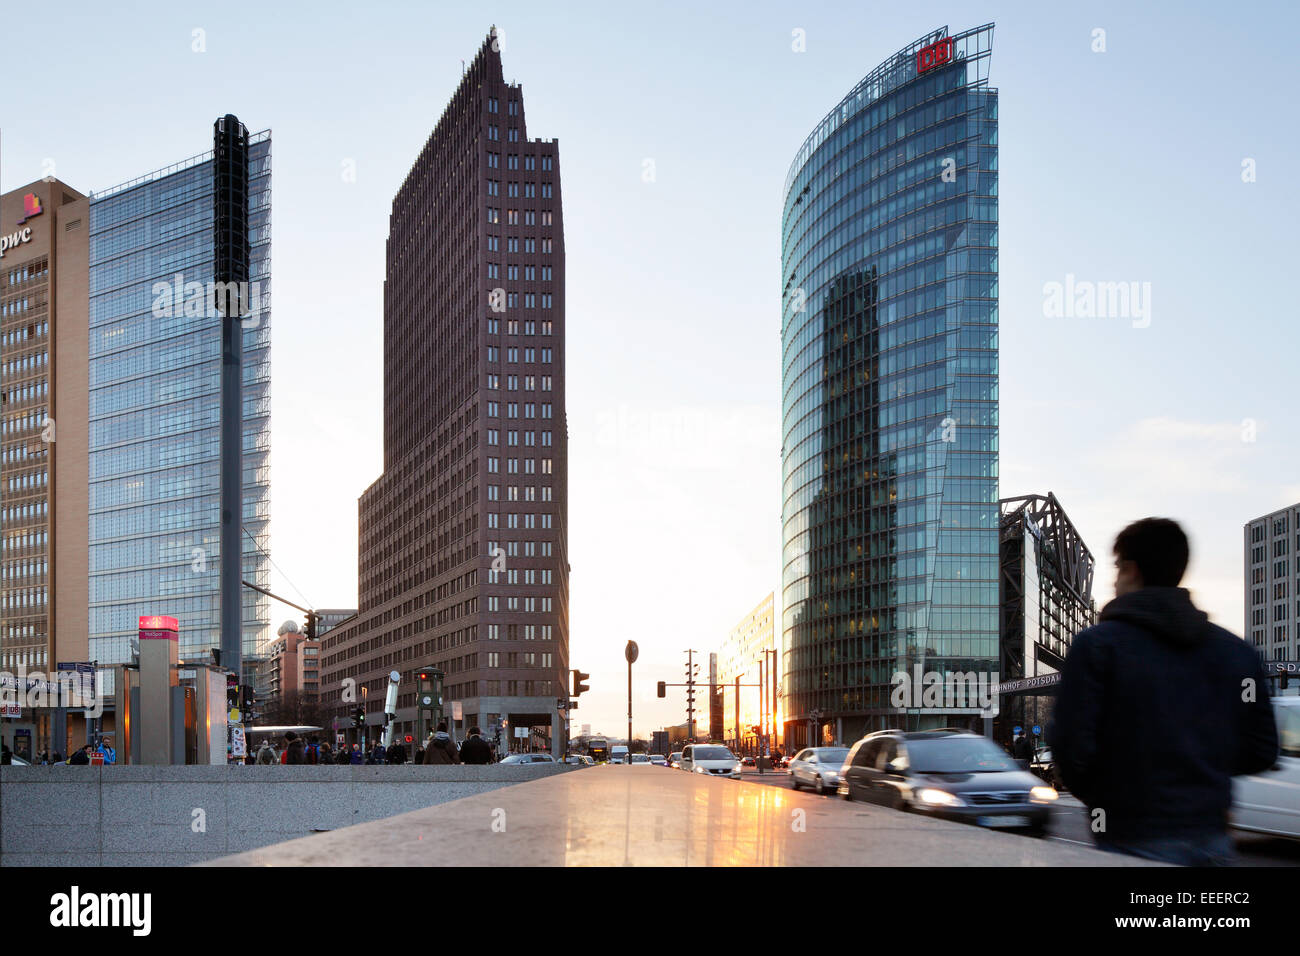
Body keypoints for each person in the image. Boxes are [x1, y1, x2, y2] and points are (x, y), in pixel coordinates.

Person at [1052, 517, 1279, 866]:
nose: (1114, 580)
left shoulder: (1098, 648)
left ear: (1131, 570)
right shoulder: (1237, 654)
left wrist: (1108, 800)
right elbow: (1261, 749)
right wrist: (1202, 768)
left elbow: (1072, 749)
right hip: (1212, 837)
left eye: (1116, 568)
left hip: (1128, 836)